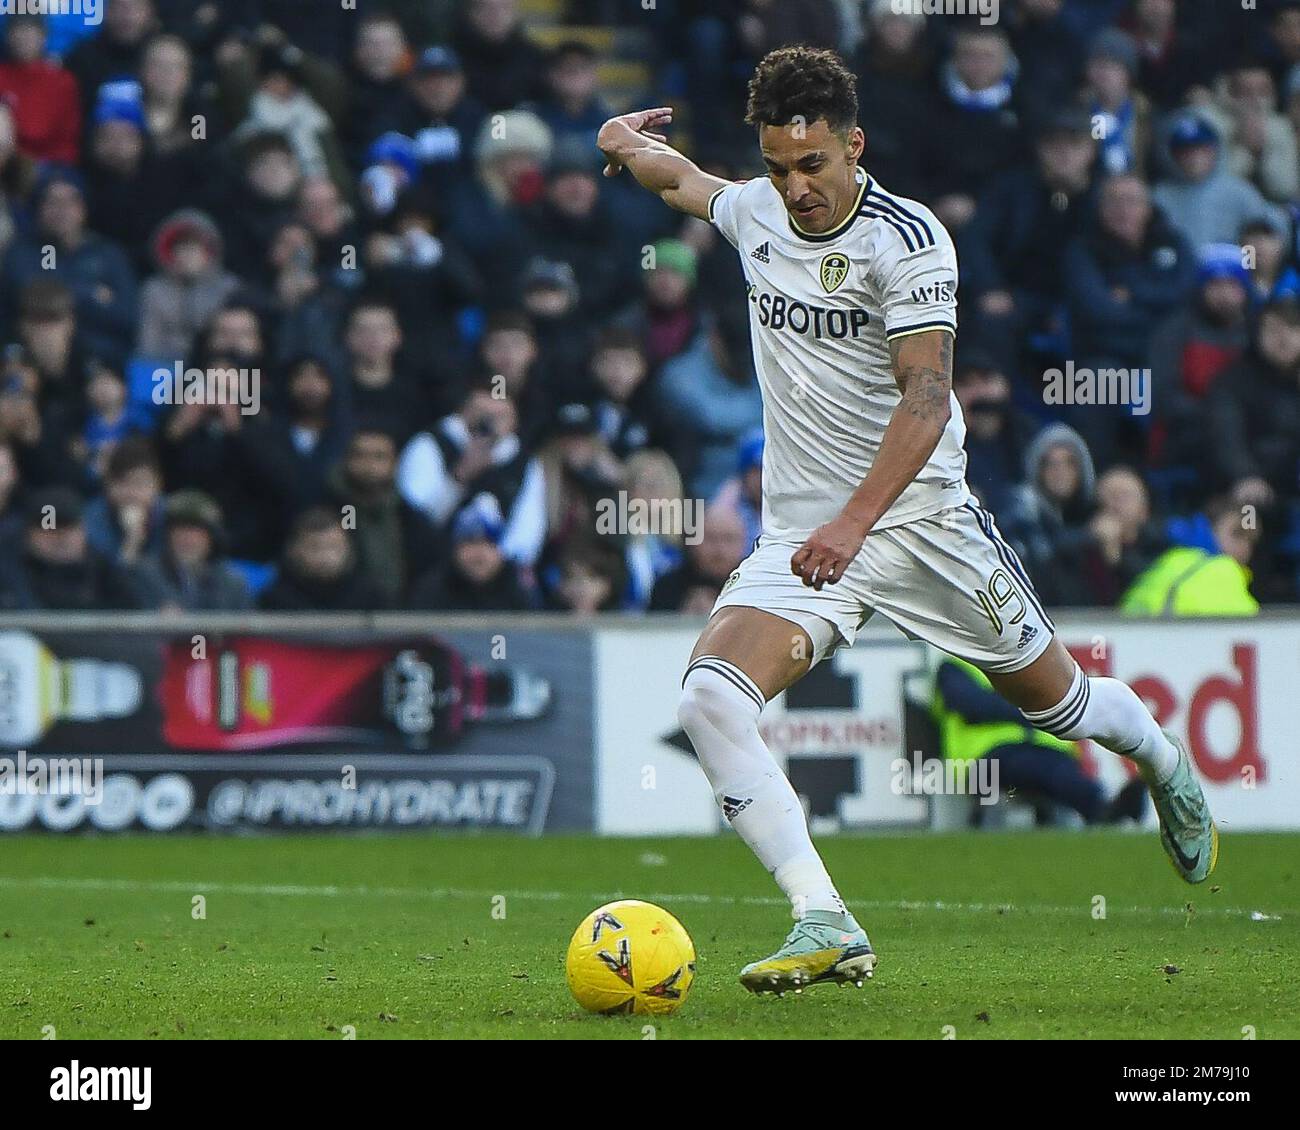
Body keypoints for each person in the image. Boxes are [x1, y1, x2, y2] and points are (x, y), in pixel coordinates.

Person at [597, 46, 1218, 996]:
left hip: (923, 523)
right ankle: (825, 916)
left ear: (854, 146)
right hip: (804, 538)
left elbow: (925, 399)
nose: (795, 188)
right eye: (777, 167)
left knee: (1060, 707)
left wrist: (855, 521)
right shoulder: (755, 212)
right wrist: (612, 139)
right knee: (710, 700)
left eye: (813, 165)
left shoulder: (910, 239)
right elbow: (677, 177)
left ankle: (1164, 759)